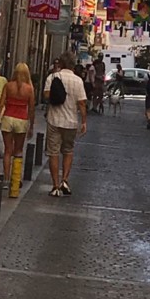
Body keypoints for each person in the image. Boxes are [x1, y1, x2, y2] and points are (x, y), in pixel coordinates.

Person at [43, 50, 87, 196]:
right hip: (71, 122)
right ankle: (65, 180)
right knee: (68, 151)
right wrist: (84, 122)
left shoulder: (53, 77)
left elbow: (46, 95)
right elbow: (81, 103)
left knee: (53, 152)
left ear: (60, 63)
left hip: (54, 120)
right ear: (74, 65)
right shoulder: (78, 81)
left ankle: (55, 185)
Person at [0, 62, 35, 188]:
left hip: (7, 118)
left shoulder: (8, 86)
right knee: (18, 150)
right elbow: (32, 108)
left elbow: (1, 104)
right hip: (21, 120)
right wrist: (31, 125)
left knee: (7, 150)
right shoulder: (29, 89)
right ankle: (15, 179)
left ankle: (6, 180)